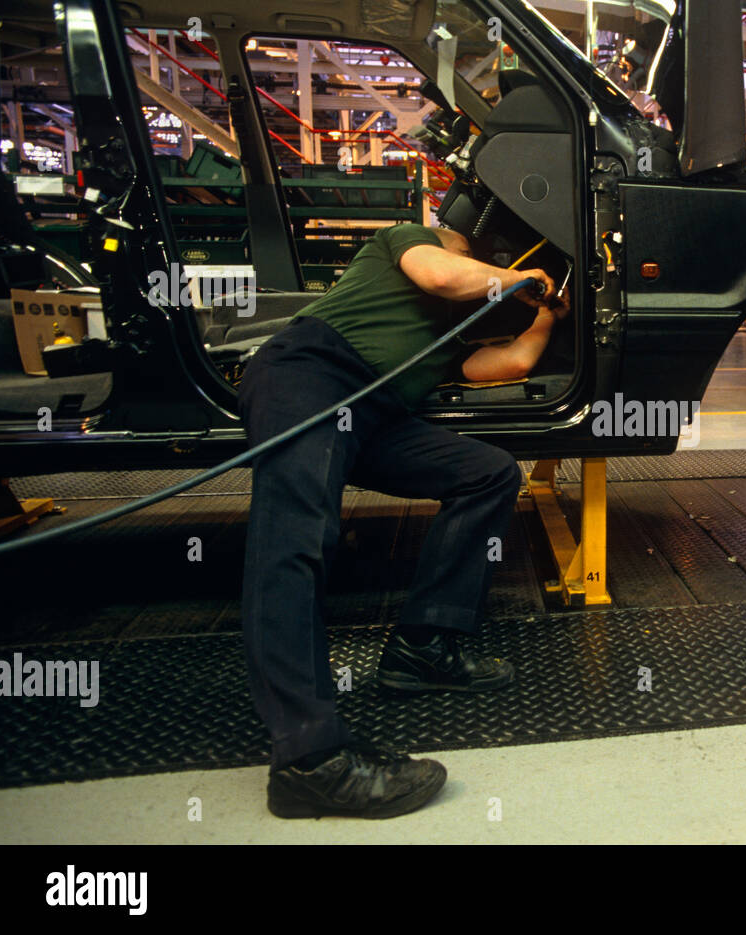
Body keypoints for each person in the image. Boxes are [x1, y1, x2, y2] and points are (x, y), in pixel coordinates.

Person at [237, 223, 563, 819]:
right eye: (473, 248)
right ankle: (307, 760)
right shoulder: (412, 243)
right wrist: (519, 279)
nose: (475, 256)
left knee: (488, 473)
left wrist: (549, 314)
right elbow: (441, 273)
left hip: (373, 414)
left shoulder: (451, 324)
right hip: (309, 375)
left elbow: (509, 361)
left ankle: (423, 648)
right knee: (297, 537)